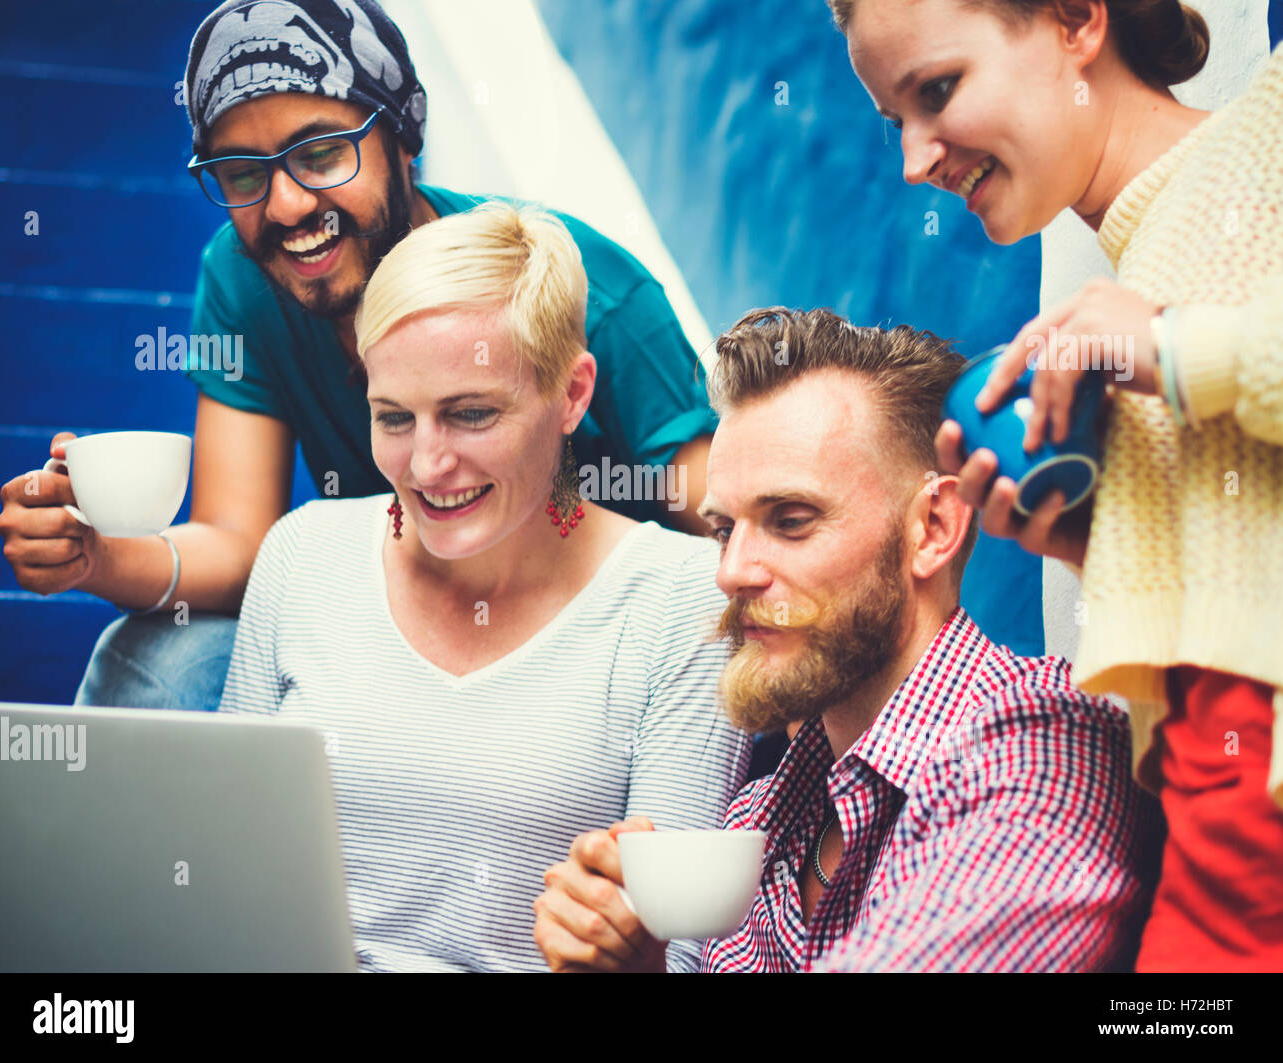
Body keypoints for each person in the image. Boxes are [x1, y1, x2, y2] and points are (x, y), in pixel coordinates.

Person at [0, 0, 715, 711]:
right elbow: (239, 543)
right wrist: (97, 556)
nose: (286, 207)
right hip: (402, 628)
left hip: (589, 653)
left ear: (405, 137)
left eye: (320, 154)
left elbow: (735, 528)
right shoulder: (246, 282)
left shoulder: (595, 297)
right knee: (167, 657)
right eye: (243, 173)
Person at [832, 0, 1283, 971]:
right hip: (1209, 830)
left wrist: (1160, 346)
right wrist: (1091, 541)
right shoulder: (1137, 254)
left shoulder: (1269, 141)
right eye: (892, 121)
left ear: (1078, 20)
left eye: (937, 91)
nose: (915, 159)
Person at [532, 307, 1159, 973]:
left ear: (936, 526)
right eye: (724, 530)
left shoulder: (1043, 750)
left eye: (791, 520)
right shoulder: (764, 817)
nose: (732, 571)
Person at [217, 201, 750, 972]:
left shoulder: (681, 600)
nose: (427, 466)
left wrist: (633, 952)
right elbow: (226, 864)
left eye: (470, 414)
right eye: (393, 417)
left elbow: (687, 952)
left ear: (572, 394)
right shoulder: (303, 553)